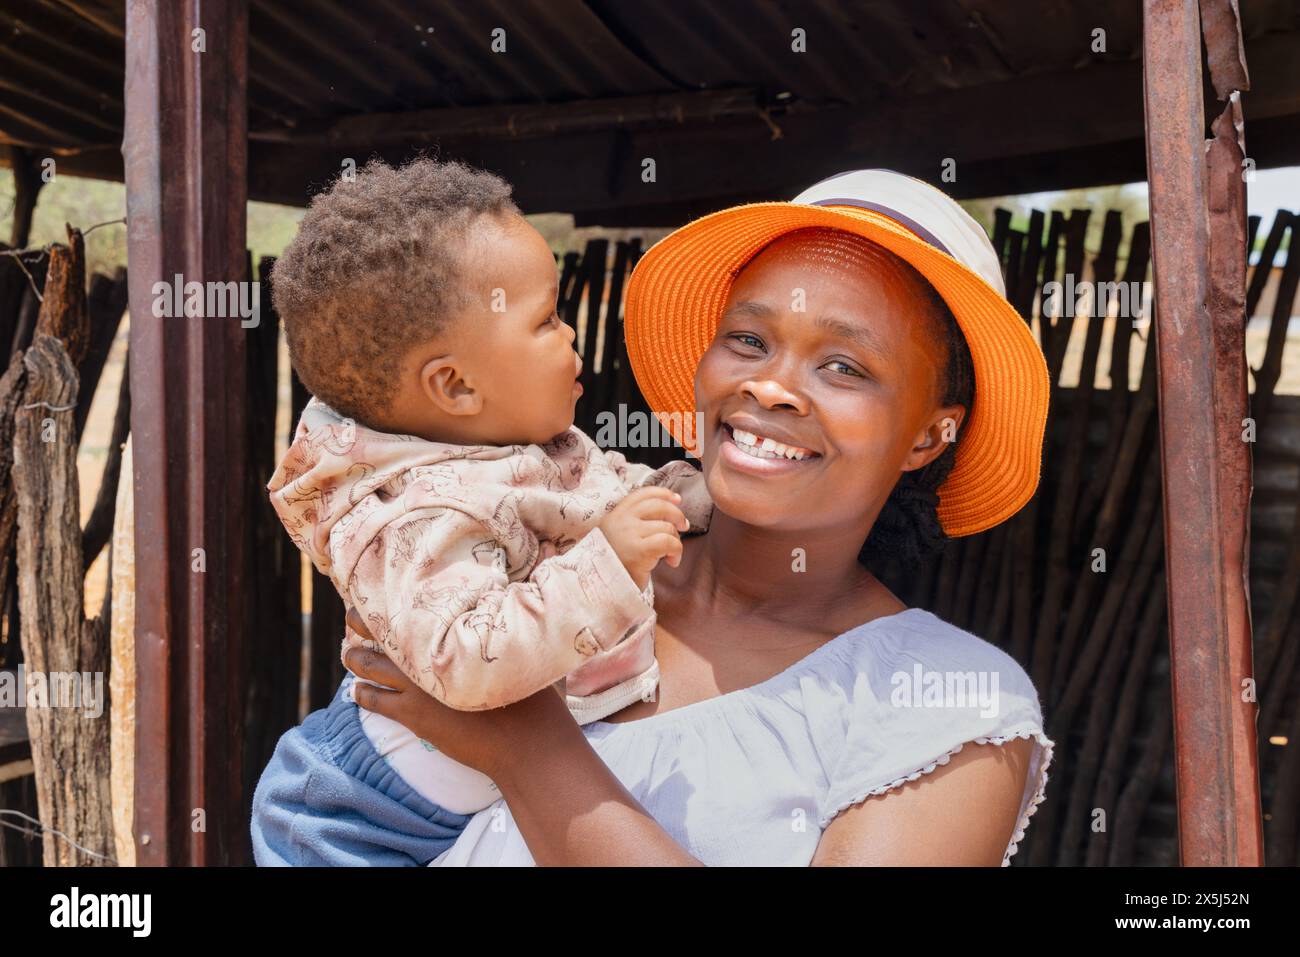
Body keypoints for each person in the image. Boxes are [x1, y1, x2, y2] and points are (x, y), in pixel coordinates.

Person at [337, 169, 1057, 866]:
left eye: (844, 366)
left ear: (930, 434)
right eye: (749, 339)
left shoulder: (946, 704)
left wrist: (525, 746)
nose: (770, 385)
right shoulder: (551, 554)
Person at [250, 156, 712, 866]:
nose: (571, 336)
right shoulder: (409, 515)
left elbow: (602, 494)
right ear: (457, 385)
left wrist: (688, 494)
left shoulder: (529, 445)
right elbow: (467, 662)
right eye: (548, 319)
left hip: (469, 788)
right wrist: (609, 563)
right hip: (366, 814)